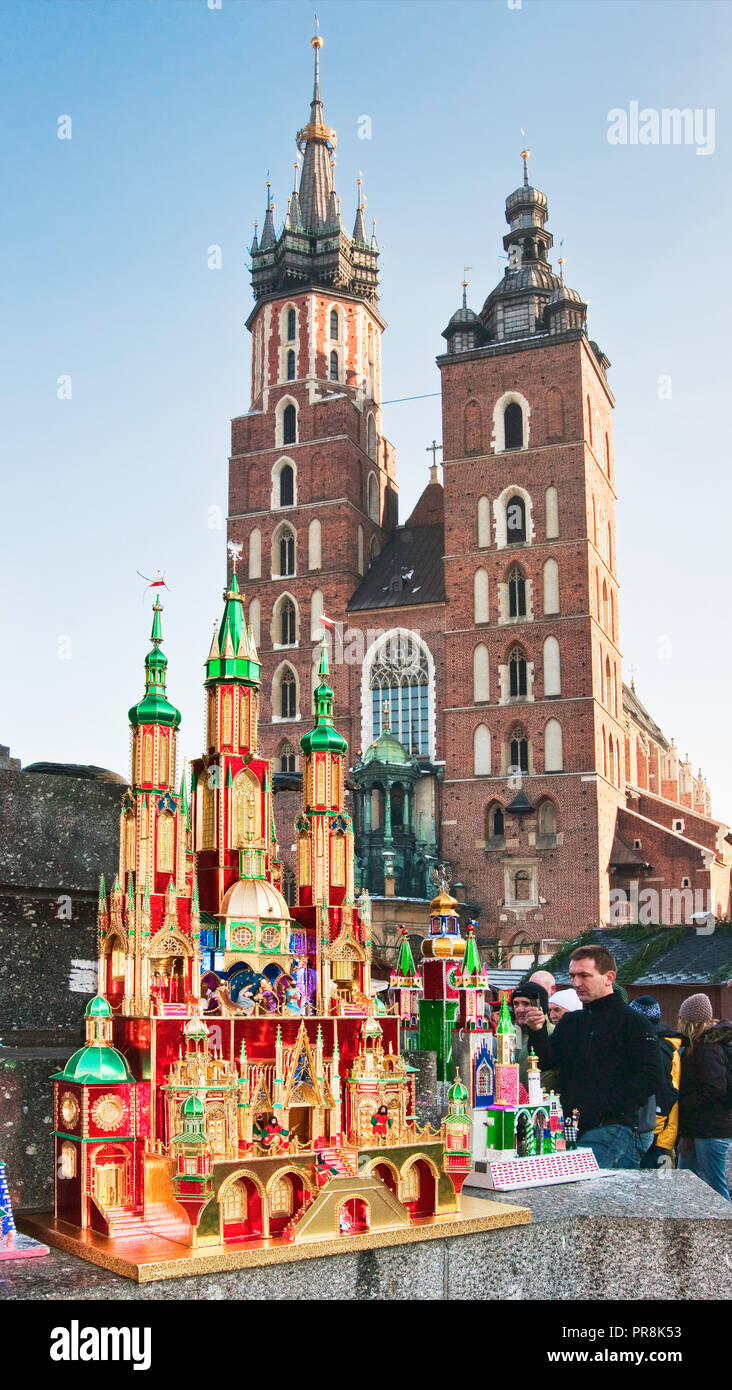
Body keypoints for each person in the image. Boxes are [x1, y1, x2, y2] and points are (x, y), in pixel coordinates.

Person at [523, 945, 661, 1169]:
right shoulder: (572, 1021)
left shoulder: (633, 1022)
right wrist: (537, 1031)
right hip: (570, 1127)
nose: (576, 983)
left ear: (609, 978)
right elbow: (545, 1062)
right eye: (572, 976)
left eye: (584, 975)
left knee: (584, 1190)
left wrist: (605, 1107)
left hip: (612, 1127)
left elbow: (651, 1077)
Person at [676, 993, 732, 1201]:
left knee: (714, 1187)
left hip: (711, 1130)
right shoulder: (702, 1046)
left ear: (688, 1021)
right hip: (699, 1129)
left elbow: (715, 1088)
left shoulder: (706, 1049)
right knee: (686, 1182)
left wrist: (682, 1102)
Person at [511, 983, 558, 1093]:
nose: (520, 1009)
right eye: (515, 1004)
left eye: (526, 1004)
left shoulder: (554, 1033)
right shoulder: (511, 1034)